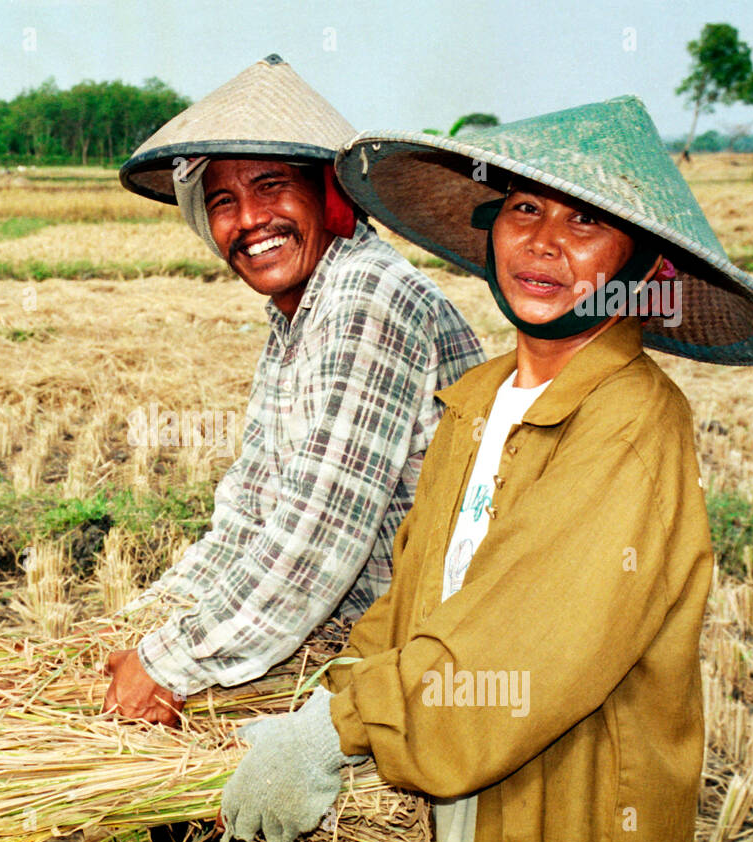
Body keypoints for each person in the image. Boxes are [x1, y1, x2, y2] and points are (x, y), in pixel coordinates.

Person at [219, 95, 753, 842]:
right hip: (457, 771)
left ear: (642, 265)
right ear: (490, 230)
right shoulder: (474, 403)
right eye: (525, 208)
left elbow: (520, 645)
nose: (545, 244)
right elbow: (414, 595)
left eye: (585, 222)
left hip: (560, 813)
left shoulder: (632, 422)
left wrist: (340, 731)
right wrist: (335, 699)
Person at [105, 55, 483, 724]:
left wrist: (167, 664)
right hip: (334, 642)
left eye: (272, 186)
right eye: (222, 201)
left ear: (331, 196)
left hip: (402, 661)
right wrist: (144, 627)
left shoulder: (369, 298)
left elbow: (317, 538)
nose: (249, 220)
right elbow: (251, 512)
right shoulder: (297, 313)